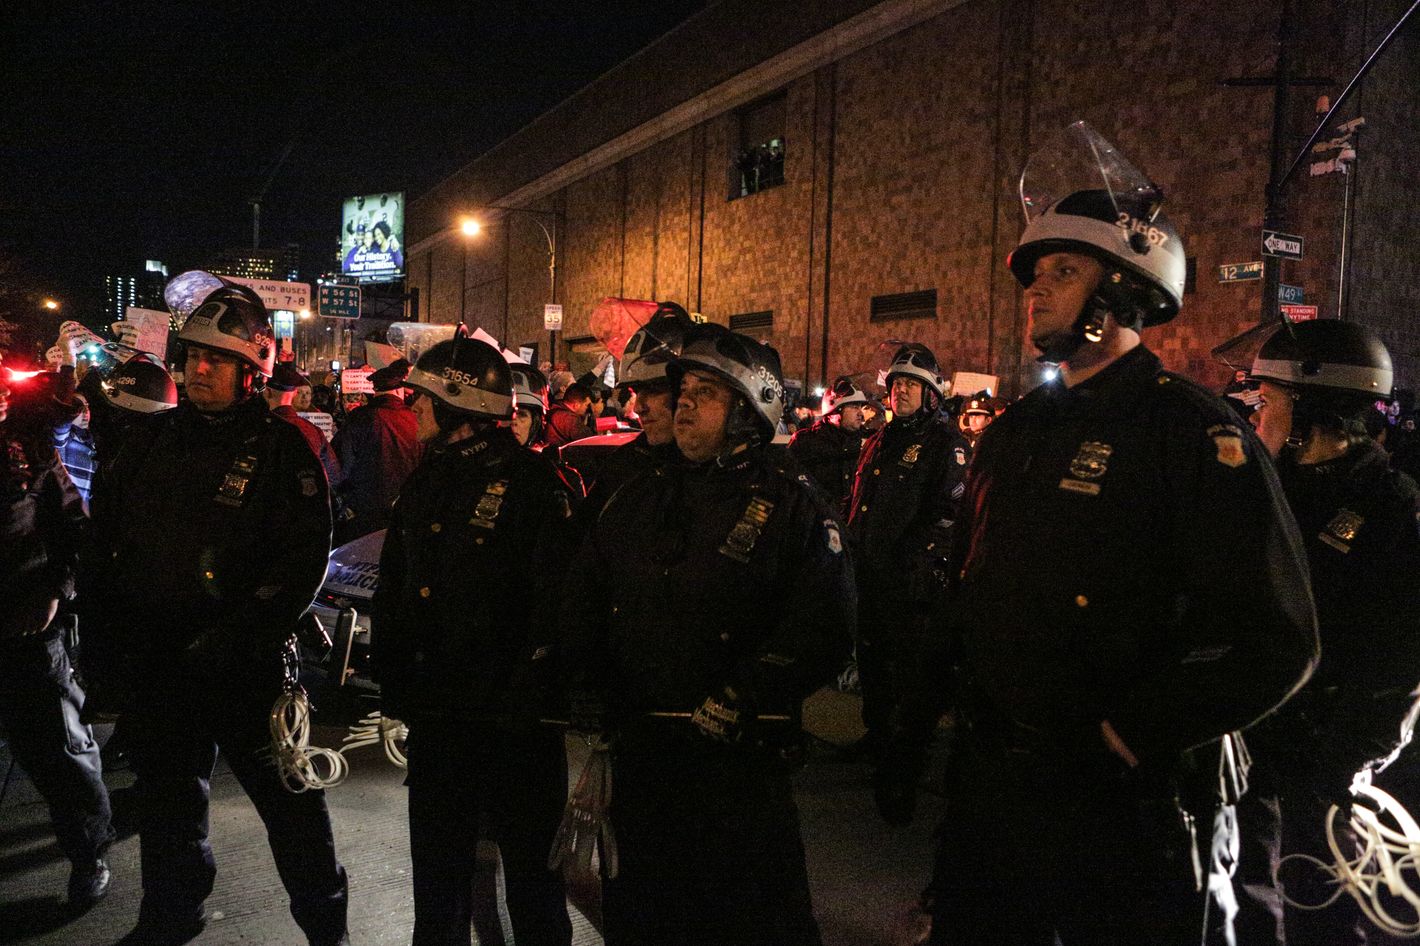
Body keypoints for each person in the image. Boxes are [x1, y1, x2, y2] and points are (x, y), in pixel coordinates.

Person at [875, 124, 1319, 945]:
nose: (1036, 292)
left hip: (1118, 811)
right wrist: (914, 722)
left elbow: (1277, 635)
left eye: (1065, 272)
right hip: (993, 794)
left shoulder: (1188, 434)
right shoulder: (1018, 431)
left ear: (1122, 292)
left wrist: (1134, 735)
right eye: (1035, 276)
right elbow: (973, 586)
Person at [564, 324, 855, 946]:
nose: (685, 402)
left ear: (750, 411)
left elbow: (825, 625)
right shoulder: (638, 491)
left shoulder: (793, 504)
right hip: (641, 763)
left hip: (738, 776)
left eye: (707, 392)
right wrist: (584, 676)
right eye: (684, 389)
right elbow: (585, 593)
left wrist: (747, 692)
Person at [83, 278, 348, 946]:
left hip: (247, 669)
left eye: (217, 358)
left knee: (293, 810)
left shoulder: (283, 450)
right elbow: (108, 544)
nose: (199, 368)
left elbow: (301, 563)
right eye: (193, 354)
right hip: (164, 665)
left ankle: (325, 927)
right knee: (170, 808)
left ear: (250, 369)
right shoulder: (148, 441)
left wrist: (242, 636)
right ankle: (169, 919)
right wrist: (109, 648)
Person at [371, 337, 575, 946]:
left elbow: (556, 607)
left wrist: (528, 696)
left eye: (424, 397)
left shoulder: (535, 484)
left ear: (459, 401)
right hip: (441, 719)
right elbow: (397, 582)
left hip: (515, 725)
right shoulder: (428, 478)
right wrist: (395, 671)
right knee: (438, 888)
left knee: (534, 888)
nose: (413, 407)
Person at [1235, 319, 1420, 946]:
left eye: (1268, 403)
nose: (1257, 418)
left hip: (1326, 771)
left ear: (1315, 411)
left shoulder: (1393, 509)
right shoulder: (1272, 491)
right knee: (1251, 910)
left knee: (1325, 920)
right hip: (1257, 752)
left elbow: (1401, 659)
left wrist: (1347, 761)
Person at [0, 357, 114, 911]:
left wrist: (53, 589)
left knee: (60, 753)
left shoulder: (26, 451)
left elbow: (74, 527)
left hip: (25, 632)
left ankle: (89, 853)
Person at [844, 343, 963, 759]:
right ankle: (877, 736)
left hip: (910, 583)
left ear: (931, 393)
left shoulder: (944, 443)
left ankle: (907, 750)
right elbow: (858, 504)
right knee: (873, 661)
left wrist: (915, 561)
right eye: (898, 384)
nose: (903, 392)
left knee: (908, 668)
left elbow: (948, 511)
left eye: (913, 384)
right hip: (870, 576)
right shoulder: (879, 441)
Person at [577, 302, 695, 512]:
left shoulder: (723, 480)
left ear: (685, 390)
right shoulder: (623, 467)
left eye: (653, 389)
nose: (639, 407)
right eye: (637, 391)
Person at [331, 357, 421, 543]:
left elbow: (340, 463)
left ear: (375, 390)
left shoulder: (361, 418)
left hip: (364, 512)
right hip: (406, 509)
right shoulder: (416, 419)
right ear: (399, 390)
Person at [788, 377, 869, 517]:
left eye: (860, 407)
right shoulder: (806, 442)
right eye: (854, 407)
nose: (861, 413)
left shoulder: (866, 444)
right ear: (835, 411)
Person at [264, 363, 341, 489]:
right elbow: (333, 474)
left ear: (267, 392)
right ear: (294, 394)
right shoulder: (312, 430)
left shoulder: (261, 426)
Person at [509, 361, 550, 448]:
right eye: (508, 414)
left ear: (535, 423)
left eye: (522, 415)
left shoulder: (540, 460)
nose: (513, 421)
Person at [544, 382, 594, 448]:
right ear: (576, 405)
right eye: (586, 405)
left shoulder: (556, 407)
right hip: (561, 456)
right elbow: (590, 441)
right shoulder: (568, 418)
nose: (587, 408)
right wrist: (596, 415)